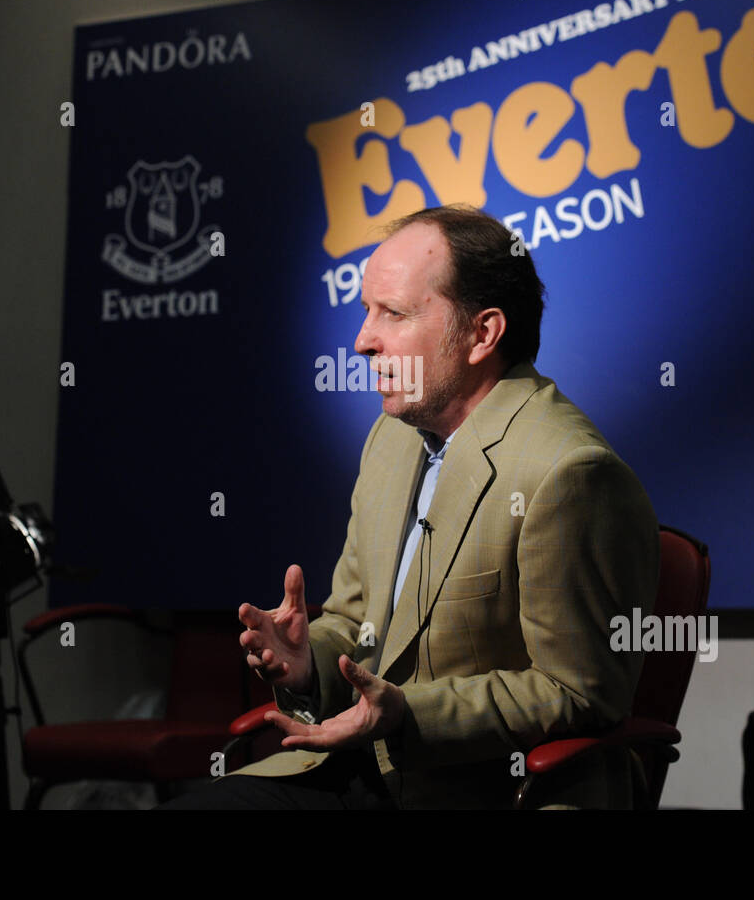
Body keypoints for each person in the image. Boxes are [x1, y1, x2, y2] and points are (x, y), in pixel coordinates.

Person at [163, 204, 659, 809]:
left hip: (477, 787)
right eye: (366, 310)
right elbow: (353, 623)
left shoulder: (569, 473)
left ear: (483, 333)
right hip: (351, 767)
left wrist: (404, 713)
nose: (362, 341)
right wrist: (308, 664)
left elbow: (579, 693)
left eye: (392, 314)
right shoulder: (392, 438)